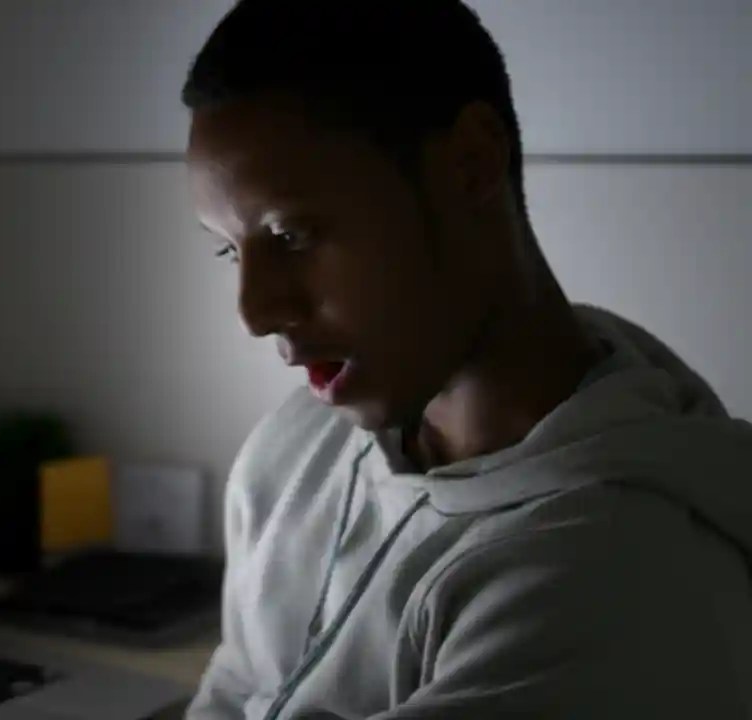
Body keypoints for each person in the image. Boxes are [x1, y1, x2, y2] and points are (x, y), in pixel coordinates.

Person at [180, 1, 752, 718]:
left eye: (292, 235)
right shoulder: (291, 453)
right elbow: (229, 694)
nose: (254, 312)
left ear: (471, 165)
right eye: (230, 249)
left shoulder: (614, 576)